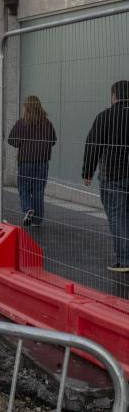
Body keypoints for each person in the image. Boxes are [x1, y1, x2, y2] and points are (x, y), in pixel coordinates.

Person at [82, 81, 129, 273]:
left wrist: (88, 172)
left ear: (114, 95)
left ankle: (124, 260)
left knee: (117, 216)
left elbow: (93, 144)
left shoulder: (106, 116)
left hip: (113, 174)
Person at [7, 95, 56, 228]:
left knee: (24, 188)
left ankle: (28, 208)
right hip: (42, 161)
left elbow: (11, 140)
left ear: (26, 107)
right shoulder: (47, 123)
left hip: (26, 160)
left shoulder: (21, 123)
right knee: (38, 190)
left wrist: (22, 143)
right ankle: (37, 220)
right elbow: (53, 140)